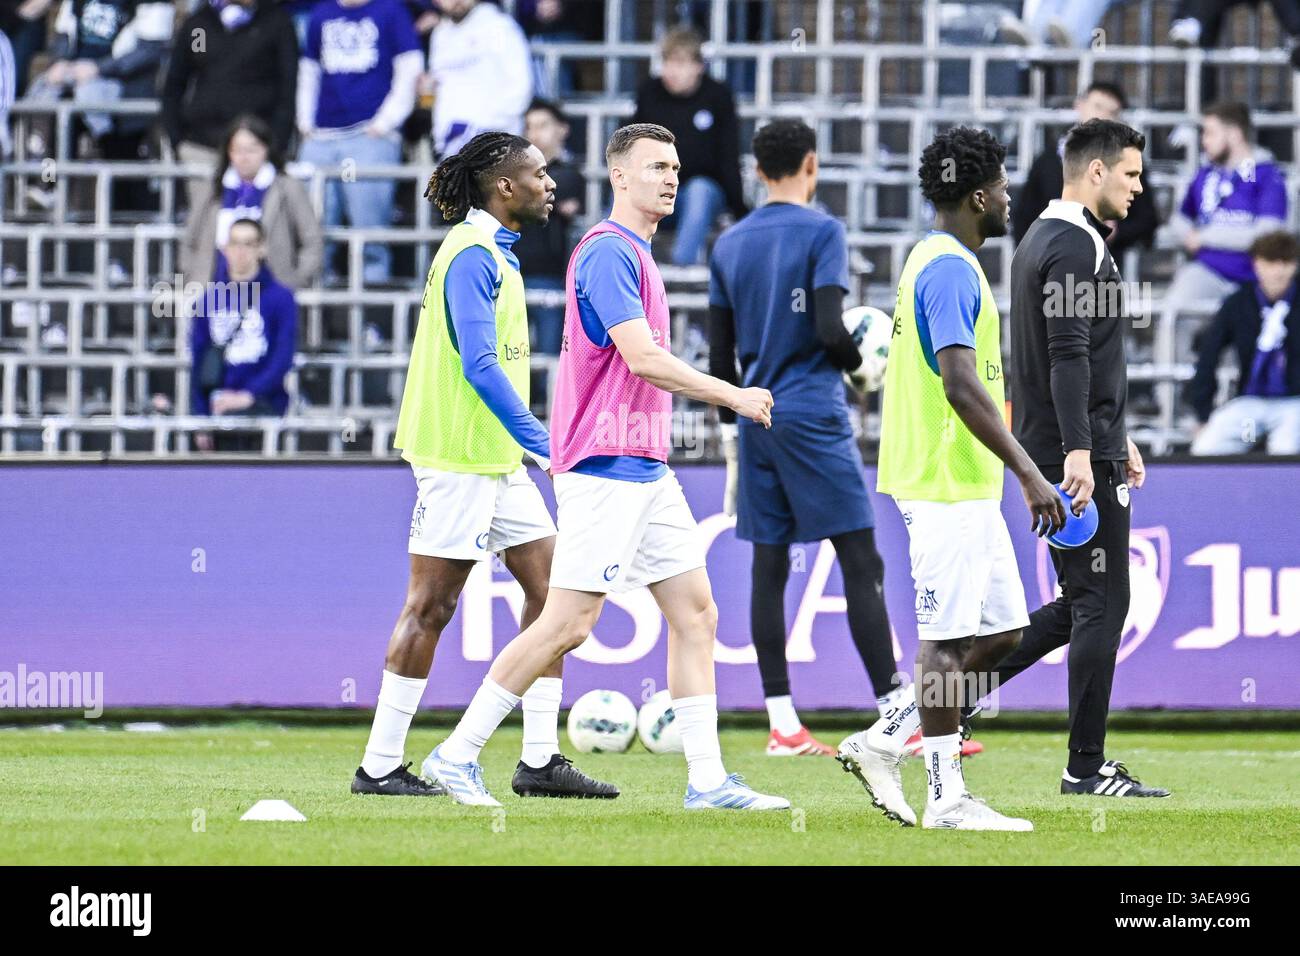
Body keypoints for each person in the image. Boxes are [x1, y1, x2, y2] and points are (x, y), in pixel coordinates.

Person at [422, 123, 789, 811]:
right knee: (567, 624)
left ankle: (707, 782)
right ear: (619, 176)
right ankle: (455, 753)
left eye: (676, 166)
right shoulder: (608, 252)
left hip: (645, 465)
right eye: (656, 166)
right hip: (603, 466)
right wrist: (732, 394)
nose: (671, 177)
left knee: (697, 615)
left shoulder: (636, 255)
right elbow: (644, 358)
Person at [353, 131, 616, 800]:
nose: (550, 184)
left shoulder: (494, 252)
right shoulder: (472, 255)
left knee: (555, 596)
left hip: (493, 458)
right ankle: (380, 766)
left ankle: (538, 760)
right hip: (458, 457)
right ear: (505, 188)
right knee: (431, 607)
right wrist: (544, 442)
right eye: (540, 174)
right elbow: (477, 364)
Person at [837, 126, 1066, 831]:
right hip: (940, 480)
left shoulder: (947, 261)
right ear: (976, 194)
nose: (1007, 198)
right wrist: (1029, 473)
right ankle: (946, 798)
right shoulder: (946, 268)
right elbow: (962, 384)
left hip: (964, 481)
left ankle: (882, 739)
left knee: (998, 636)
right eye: (999, 186)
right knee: (942, 644)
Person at [708, 119, 919, 759]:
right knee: (861, 557)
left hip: (753, 414)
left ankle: (782, 724)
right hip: (810, 411)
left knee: (769, 566)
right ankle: (894, 713)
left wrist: (731, 436)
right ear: (811, 165)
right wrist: (861, 369)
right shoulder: (823, 230)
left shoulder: (729, 244)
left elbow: (720, 358)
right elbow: (830, 328)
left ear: (757, 168)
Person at [992, 118, 1170, 798]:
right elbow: (1066, 355)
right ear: (1095, 172)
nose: (1138, 186)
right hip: (1072, 455)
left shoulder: (1040, 236)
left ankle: (946, 694)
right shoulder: (1076, 245)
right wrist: (1080, 450)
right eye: (1130, 174)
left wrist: (1111, 432)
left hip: (1073, 443)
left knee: (1080, 602)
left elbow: (1074, 354)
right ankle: (1085, 769)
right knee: (1101, 603)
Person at [296, 0, 422, 285]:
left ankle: (373, 322)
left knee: (371, 237)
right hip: (321, 138)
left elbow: (410, 68)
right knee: (313, 236)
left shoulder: (391, 11)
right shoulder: (321, 13)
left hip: (369, 137)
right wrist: (305, 122)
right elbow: (309, 70)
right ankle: (317, 319)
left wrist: (385, 123)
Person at [161, 0, 299, 210]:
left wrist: (275, 145)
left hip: (257, 150)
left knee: (255, 227)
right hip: (203, 148)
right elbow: (175, 84)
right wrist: (177, 139)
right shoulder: (199, 27)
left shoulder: (276, 22)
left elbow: (288, 89)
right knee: (206, 227)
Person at [1162, 103, 1288, 330]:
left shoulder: (1265, 174)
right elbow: (1179, 221)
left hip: (1253, 276)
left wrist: (1204, 237)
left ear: (1234, 133)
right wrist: (1189, 234)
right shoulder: (1206, 173)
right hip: (1207, 269)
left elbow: (1268, 234)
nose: (1204, 141)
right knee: (1173, 314)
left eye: (1210, 132)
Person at [630, 27, 745, 266]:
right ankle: (624, 265)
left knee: (699, 190)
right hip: (654, 189)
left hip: (702, 196)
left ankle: (680, 274)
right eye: (667, 63)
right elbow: (632, 147)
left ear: (698, 66)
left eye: (680, 64)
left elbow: (728, 155)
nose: (672, 71)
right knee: (627, 189)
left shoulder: (718, 96)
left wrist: (739, 209)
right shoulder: (649, 93)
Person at [1012, 81, 1157, 258]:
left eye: (1111, 112)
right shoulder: (1047, 161)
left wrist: (1117, 232)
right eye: (1097, 106)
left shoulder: (1129, 164)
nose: (1101, 116)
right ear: (1079, 106)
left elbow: (1147, 220)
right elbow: (1024, 217)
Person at [181, 115, 323, 291]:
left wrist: (293, 283)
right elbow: (189, 239)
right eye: (237, 150)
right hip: (214, 290)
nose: (244, 157)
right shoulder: (212, 188)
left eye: (251, 149)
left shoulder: (287, 187)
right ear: (228, 152)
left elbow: (312, 241)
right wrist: (193, 277)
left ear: (266, 149)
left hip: (270, 292)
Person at [190, 219, 298, 452]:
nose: (240, 251)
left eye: (249, 244)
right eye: (235, 243)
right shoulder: (207, 300)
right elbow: (198, 361)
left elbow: (282, 357)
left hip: (263, 402)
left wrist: (248, 395)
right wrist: (200, 417)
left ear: (262, 248)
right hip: (216, 406)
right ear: (225, 248)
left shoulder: (280, 298)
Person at [1189, 231, 1300, 454]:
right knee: (1207, 448)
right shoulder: (1238, 303)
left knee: (1284, 449)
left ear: (1295, 265)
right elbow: (1208, 356)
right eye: (1270, 262)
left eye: (1285, 262)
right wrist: (1203, 415)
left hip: (1294, 405)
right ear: (1256, 263)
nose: (1278, 271)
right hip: (1251, 406)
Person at [516, 98, 583, 362]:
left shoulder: (570, 174)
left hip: (550, 276)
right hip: (509, 275)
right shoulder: (515, 174)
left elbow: (563, 188)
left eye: (543, 125)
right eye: (530, 126)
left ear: (563, 129)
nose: (534, 133)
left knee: (550, 363)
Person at [427, 0, 533, 158]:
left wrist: (484, 129)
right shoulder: (440, 33)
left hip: (495, 144)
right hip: (451, 145)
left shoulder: (499, 25)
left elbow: (521, 87)